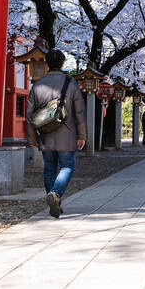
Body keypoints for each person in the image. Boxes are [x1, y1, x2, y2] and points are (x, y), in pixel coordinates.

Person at [24, 49, 86, 219]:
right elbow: (79, 112)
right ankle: (56, 194)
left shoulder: (38, 85)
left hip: (45, 134)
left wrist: (31, 137)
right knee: (68, 166)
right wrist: (82, 136)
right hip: (68, 134)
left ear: (47, 64)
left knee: (50, 168)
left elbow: (29, 114)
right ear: (63, 63)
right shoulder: (71, 83)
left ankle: (54, 199)